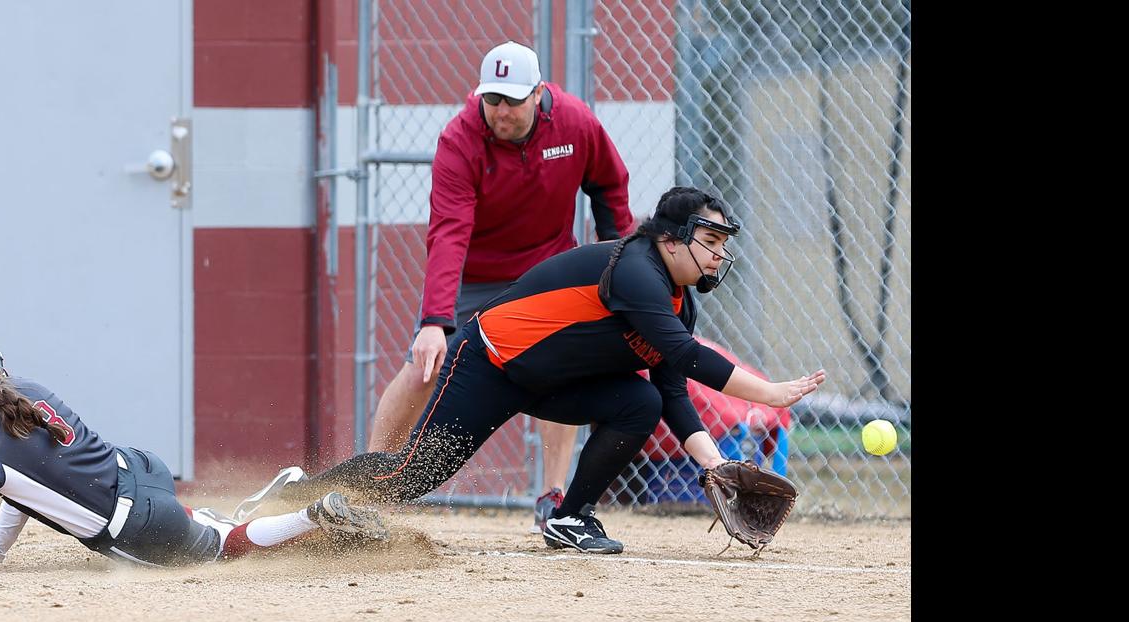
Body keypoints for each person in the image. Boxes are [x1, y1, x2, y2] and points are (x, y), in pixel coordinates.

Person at [263, 186, 825, 555]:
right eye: (709, 241)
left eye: (723, 244)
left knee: (642, 403)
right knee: (414, 477)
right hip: (491, 361)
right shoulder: (637, 270)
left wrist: (715, 464)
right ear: (669, 239)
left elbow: (673, 389)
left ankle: (571, 517)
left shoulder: (679, 299)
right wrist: (772, 393)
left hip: (555, 381)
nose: (717, 256)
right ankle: (299, 493)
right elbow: (688, 357)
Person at [0, 317, 387, 577]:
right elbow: (21, 489)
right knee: (209, 528)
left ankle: (312, 518)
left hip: (136, 523)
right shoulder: (27, 392)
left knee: (225, 551)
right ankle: (271, 505)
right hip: (141, 469)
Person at [366, 40, 635, 533]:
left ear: (538, 94)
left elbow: (610, 187)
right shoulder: (460, 138)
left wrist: (623, 267)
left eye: (513, 100)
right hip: (477, 274)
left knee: (562, 369)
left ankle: (552, 498)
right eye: (493, 99)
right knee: (424, 366)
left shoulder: (576, 123)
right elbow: (448, 232)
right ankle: (365, 489)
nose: (501, 112)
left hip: (548, 270)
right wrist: (434, 322)